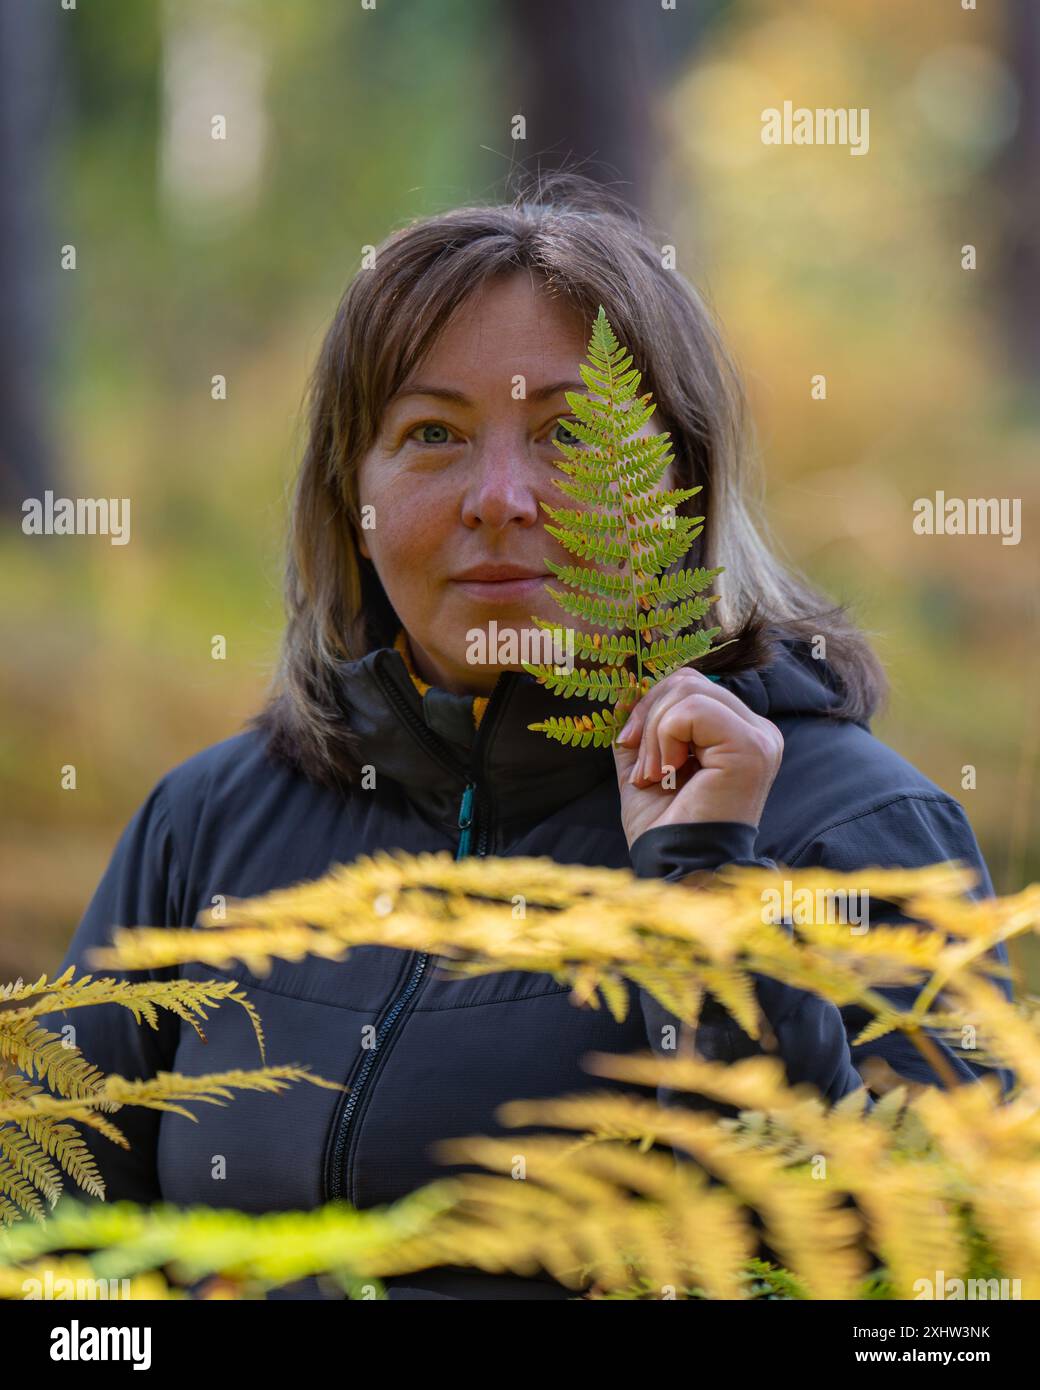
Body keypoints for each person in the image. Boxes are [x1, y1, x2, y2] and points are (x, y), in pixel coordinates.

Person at [48, 173, 1013, 1300]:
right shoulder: (209, 823)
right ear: (348, 500)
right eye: (430, 434)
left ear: (680, 489)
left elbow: (942, 1291)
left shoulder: (848, 827)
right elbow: (59, 1267)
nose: (499, 496)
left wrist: (705, 889)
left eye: (564, 433)